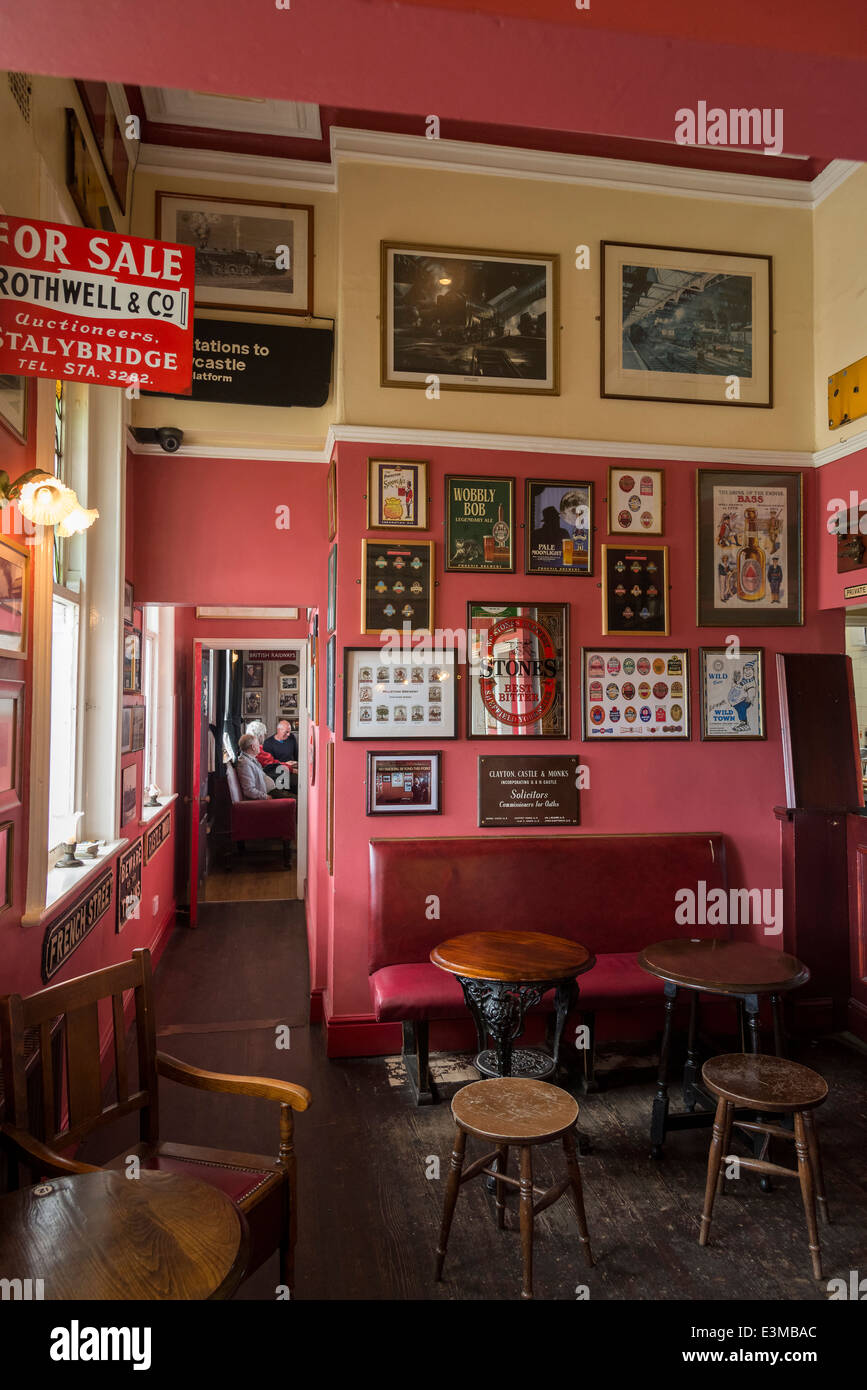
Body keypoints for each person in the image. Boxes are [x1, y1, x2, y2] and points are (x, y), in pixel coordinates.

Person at [236, 733, 293, 799]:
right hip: (267, 794)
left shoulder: (250, 759)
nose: (260, 746)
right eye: (258, 744)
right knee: (297, 801)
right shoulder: (245, 764)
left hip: (271, 790)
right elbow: (249, 790)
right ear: (253, 747)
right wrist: (266, 797)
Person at [263, 718, 298, 792]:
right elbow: (271, 765)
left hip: (293, 769)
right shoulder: (268, 743)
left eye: (289, 732)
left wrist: (297, 765)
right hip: (278, 773)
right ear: (279, 730)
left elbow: (296, 755)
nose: (288, 734)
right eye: (286, 732)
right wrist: (287, 765)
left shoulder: (291, 738)